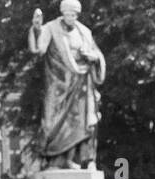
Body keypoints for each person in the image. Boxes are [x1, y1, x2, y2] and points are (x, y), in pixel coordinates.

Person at [27, 1, 106, 169]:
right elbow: (39, 49)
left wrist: (94, 58)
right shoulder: (51, 28)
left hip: (82, 83)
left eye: (74, 15)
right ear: (63, 14)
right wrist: (36, 29)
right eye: (68, 14)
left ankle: (81, 159)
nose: (71, 18)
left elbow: (96, 53)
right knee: (52, 122)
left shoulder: (84, 32)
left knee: (83, 122)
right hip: (58, 84)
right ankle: (56, 160)